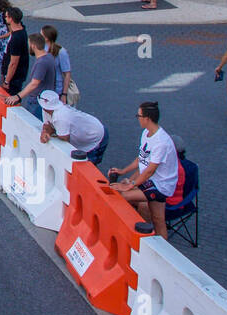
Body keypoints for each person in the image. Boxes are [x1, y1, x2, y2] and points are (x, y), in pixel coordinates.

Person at [109, 101, 179, 237]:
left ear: (147, 118)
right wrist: (123, 171)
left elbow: (150, 171)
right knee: (158, 219)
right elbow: (141, 158)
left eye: (138, 116)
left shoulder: (161, 142)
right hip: (154, 181)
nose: (137, 118)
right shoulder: (146, 133)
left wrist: (130, 185)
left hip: (160, 185)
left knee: (121, 196)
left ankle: (123, 235)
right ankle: (162, 249)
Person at [37, 90, 108, 164]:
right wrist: (45, 131)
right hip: (87, 136)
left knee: (88, 166)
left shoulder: (60, 117)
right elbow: (47, 124)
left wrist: (50, 132)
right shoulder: (47, 110)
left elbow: (64, 138)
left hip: (95, 138)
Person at [5, 33, 57, 115]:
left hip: (38, 102)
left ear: (33, 46)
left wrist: (18, 96)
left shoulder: (41, 63)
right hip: (46, 99)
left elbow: (34, 83)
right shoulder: (49, 57)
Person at [40, 24, 76, 105]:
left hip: (56, 90)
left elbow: (67, 74)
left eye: (41, 35)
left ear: (46, 38)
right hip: (44, 89)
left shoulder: (61, 52)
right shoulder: (42, 48)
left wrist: (64, 94)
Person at [0, 7, 29, 98]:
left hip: (14, 77)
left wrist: (7, 81)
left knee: (10, 99)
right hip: (17, 74)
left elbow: (13, 62)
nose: (5, 18)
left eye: (6, 17)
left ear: (11, 19)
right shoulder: (21, 29)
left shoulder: (16, 38)